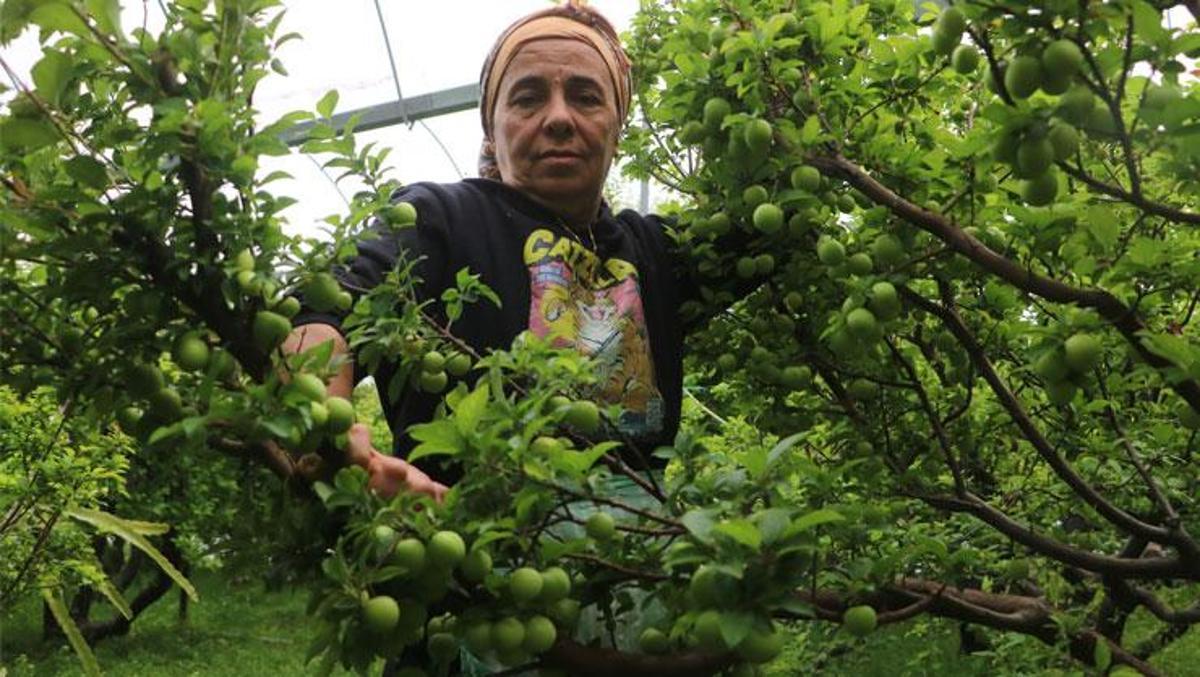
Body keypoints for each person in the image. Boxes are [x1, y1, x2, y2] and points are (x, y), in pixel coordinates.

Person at [289, 1, 684, 505]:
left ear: (617, 130)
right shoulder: (442, 219)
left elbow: (768, 222)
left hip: (643, 557)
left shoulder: (654, 252)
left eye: (586, 97)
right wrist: (332, 434)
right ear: (492, 135)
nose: (560, 117)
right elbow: (318, 312)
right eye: (527, 98)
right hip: (476, 557)